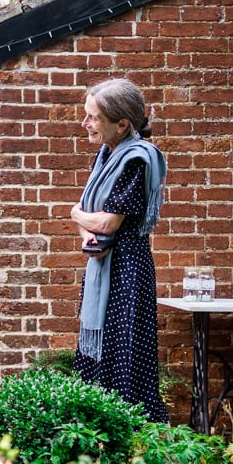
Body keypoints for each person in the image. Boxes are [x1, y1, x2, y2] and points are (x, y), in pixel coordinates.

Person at [69, 78, 169, 425]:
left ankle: (130, 437)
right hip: (102, 263)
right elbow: (91, 218)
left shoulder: (137, 160)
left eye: (93, 117)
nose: (85, 124)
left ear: (122, 124)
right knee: (97, 351)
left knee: (123, 352)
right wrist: (86, 231)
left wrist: (76, 216)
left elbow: (108, 222)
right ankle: (95, 435)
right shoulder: (105, 155)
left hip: (127, 270)